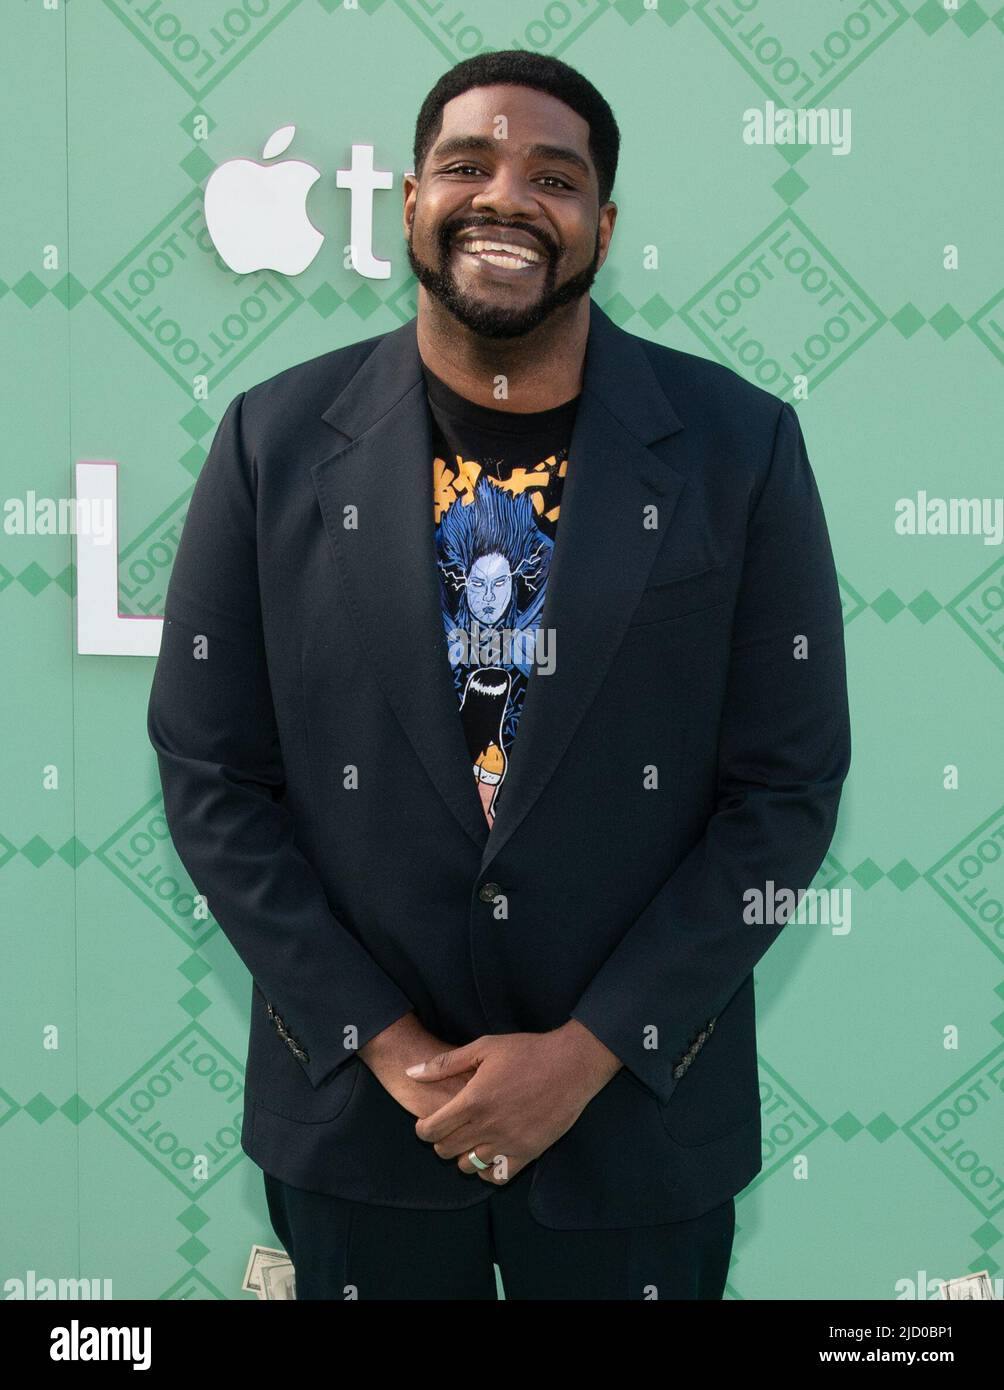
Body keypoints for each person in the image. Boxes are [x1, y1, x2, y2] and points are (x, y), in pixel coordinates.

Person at [148, 50, 851, 1300]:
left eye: (555, 175)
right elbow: (212, 776)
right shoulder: (273, 440)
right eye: (467, 164)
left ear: (603, 226)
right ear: (410, 198)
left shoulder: (736, 446)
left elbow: (783, 791)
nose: (506, 196)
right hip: (362, 1136)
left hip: (636, 1133)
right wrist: (387, 1047)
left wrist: (586, 1055)